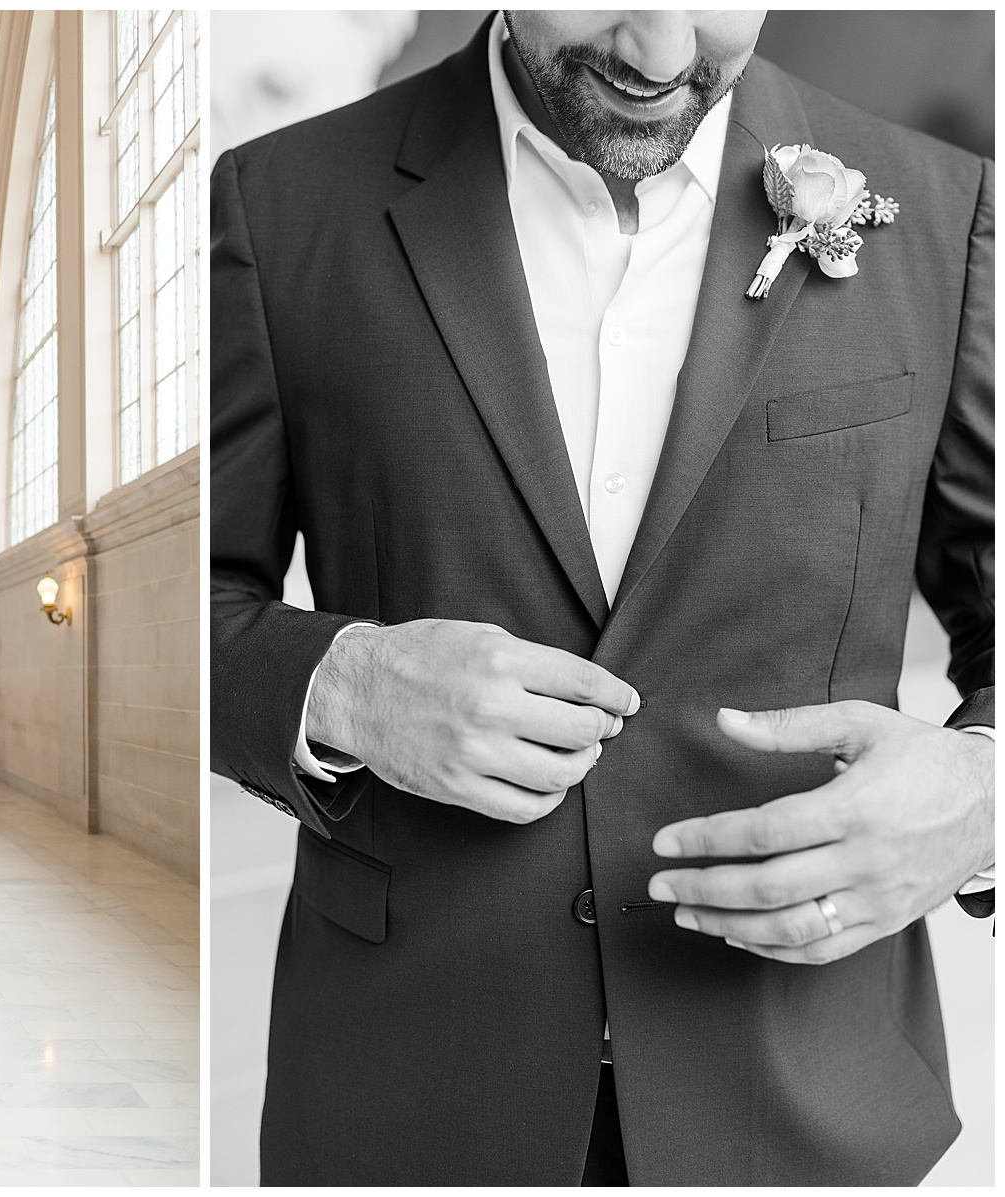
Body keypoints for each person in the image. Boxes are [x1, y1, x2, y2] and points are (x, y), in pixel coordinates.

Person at [211, 9, 993, 1186]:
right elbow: (185, 598)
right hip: (405, 1099)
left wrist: (987, 793)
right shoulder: (276, 205)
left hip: (808, 1110)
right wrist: (344, 685)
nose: (661, 56)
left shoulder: (948, 212)